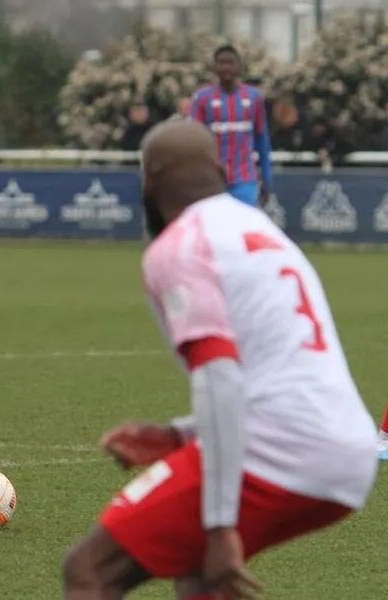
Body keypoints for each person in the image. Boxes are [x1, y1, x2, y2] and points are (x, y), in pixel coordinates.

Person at [62, 120, 378, 599]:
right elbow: (275, 376)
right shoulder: (258, 228)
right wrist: (178, 435)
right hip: (348, 449)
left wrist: (220, 525)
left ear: (149, 182)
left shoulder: (181, 245)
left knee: (90, 570)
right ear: (221, 170)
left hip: (282, 449)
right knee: (197, 576)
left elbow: (221, 377)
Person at [190, 45, 274, 207]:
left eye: (230, 62)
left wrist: (267, 179)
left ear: (239, 66)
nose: (226, 67)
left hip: (244, 179)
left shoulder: (254, 97)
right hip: (211, 179)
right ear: (214, 67)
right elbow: (194, 142)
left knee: (240, 228)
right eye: (221, 63)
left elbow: (262, 140)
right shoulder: (202, 98)